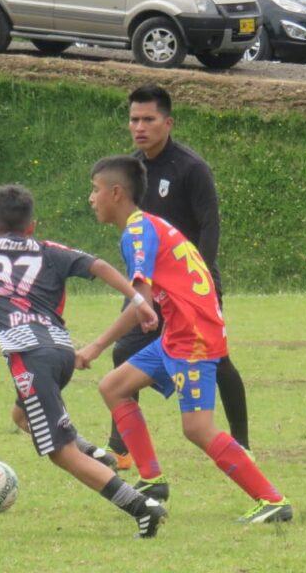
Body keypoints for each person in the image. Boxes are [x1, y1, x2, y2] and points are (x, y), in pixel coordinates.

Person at [0, 183, 167, 538]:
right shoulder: (49, 250)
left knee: (60, 453)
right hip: (61, 353)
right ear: (31, 226)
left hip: (30, 359)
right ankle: (98, 454)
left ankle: (140, 506)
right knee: (21, 415)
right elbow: (100, 265)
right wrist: (138, 301)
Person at [78, 156, 292, 524]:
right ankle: (152, 480)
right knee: (113, 387)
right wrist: (155, 310)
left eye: (95, 190)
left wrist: (96, 345)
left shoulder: (136, 232)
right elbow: (160, 289)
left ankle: (272, 500)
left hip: (192, 335)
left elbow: (139, 295)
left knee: (196, 428)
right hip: (181, 330)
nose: (91, 198)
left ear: (116, 192)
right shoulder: (150, 224)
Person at [106, 85, 251, 469]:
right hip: (150, 283)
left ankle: (242, 441)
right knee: (123, 351)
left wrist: (197, 281)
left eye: (149, 119)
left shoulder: (191, 168)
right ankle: (121, 449)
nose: (140, 126)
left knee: (218, 362)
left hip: (194, 286)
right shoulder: (132, 170)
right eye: (134, 119)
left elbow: (210, 227)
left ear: (168, 122)